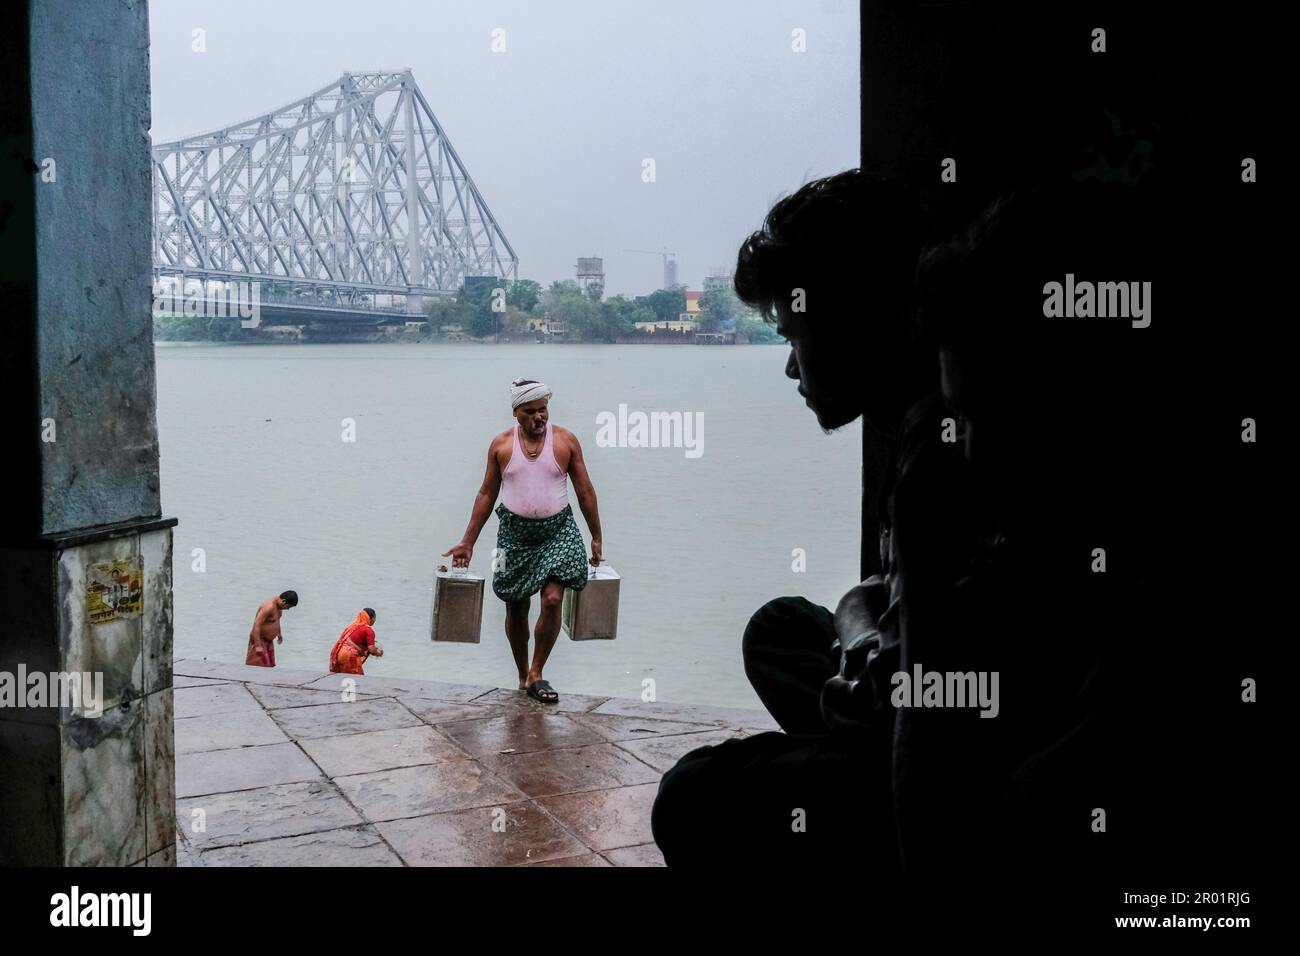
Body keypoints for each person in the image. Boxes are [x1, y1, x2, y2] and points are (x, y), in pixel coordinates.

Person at [651, 169, 959, 865]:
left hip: (943, 757)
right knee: (780, 626)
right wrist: (865, 646)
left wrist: (881, 696)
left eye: (797, 336)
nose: (792, 368)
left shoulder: (938, 458)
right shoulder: (910, 427)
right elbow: (875, 595)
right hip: (895, 690)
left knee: (692, 793)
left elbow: (938, 730)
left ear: (855, 317)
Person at [442, 378, 603, 704]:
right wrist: (468, 541)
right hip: (513, 535)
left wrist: (596, 535)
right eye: (531, 411)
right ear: (517, 413)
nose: (539, 417)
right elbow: (487, 494)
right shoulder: (501, 446)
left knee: (553, 599)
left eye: (543, 410)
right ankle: (521, 674)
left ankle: (537, 673)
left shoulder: (566, 441)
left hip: (559, 530)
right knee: (515, 607)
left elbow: (585, 490)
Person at [245, 590, 298, 667]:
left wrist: (279, 634)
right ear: (283, 601)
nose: (288, 609)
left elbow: (276, 620)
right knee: (258, 667)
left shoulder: (279, 607)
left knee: (269, 666)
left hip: (269, 642)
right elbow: (256, 625)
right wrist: (257, 645)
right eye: (288, 607)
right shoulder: (268, 607)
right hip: (259, 640)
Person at [329, 607, 383, 675]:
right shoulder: (368, 630)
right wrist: (379, 653)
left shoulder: (352, 627)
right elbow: (371, 649)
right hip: (350, 656)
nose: (375, 620)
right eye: (375, 618)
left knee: (343, 678)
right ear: (371, 618)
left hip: (339, 654)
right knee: (358, 680)